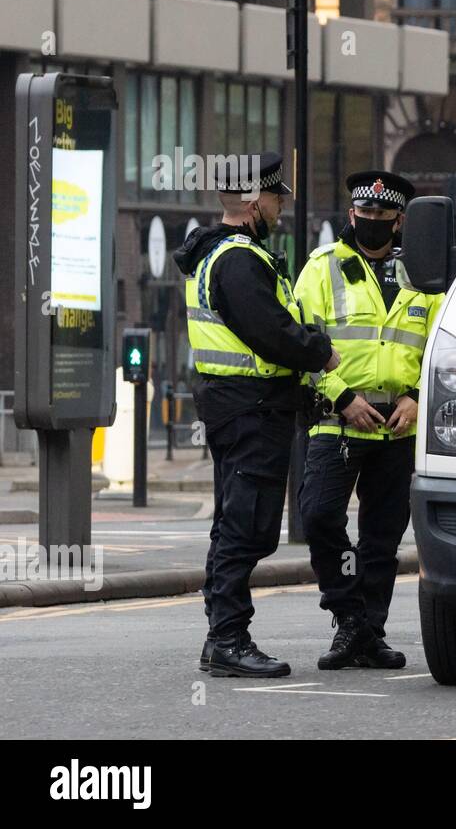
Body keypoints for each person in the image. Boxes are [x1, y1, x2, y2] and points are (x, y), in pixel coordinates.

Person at [173, 152, 340, 678]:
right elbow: (269, 331)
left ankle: (221, 637)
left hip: (242, 409)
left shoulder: (218, 255)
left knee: (237, 522)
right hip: (250, 410)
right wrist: (318, 351)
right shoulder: (239, 260)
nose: (281, 208)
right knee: (245, 525)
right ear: (252, 201)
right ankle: (227, 638)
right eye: (275, 198)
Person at [294, 171, 441, 670]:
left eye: (382, 215)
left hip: (400, 424)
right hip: (338, 419)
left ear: (399, 221)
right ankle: (348, 614)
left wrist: (419, 398)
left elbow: (444, 348)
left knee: (383, 535)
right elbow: (300, 347)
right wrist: (342, 398)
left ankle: (369, 631)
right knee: (317, 516)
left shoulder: (426, 275)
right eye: (364, 213)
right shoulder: (321, 267)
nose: (371, 221)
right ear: (352, 214)